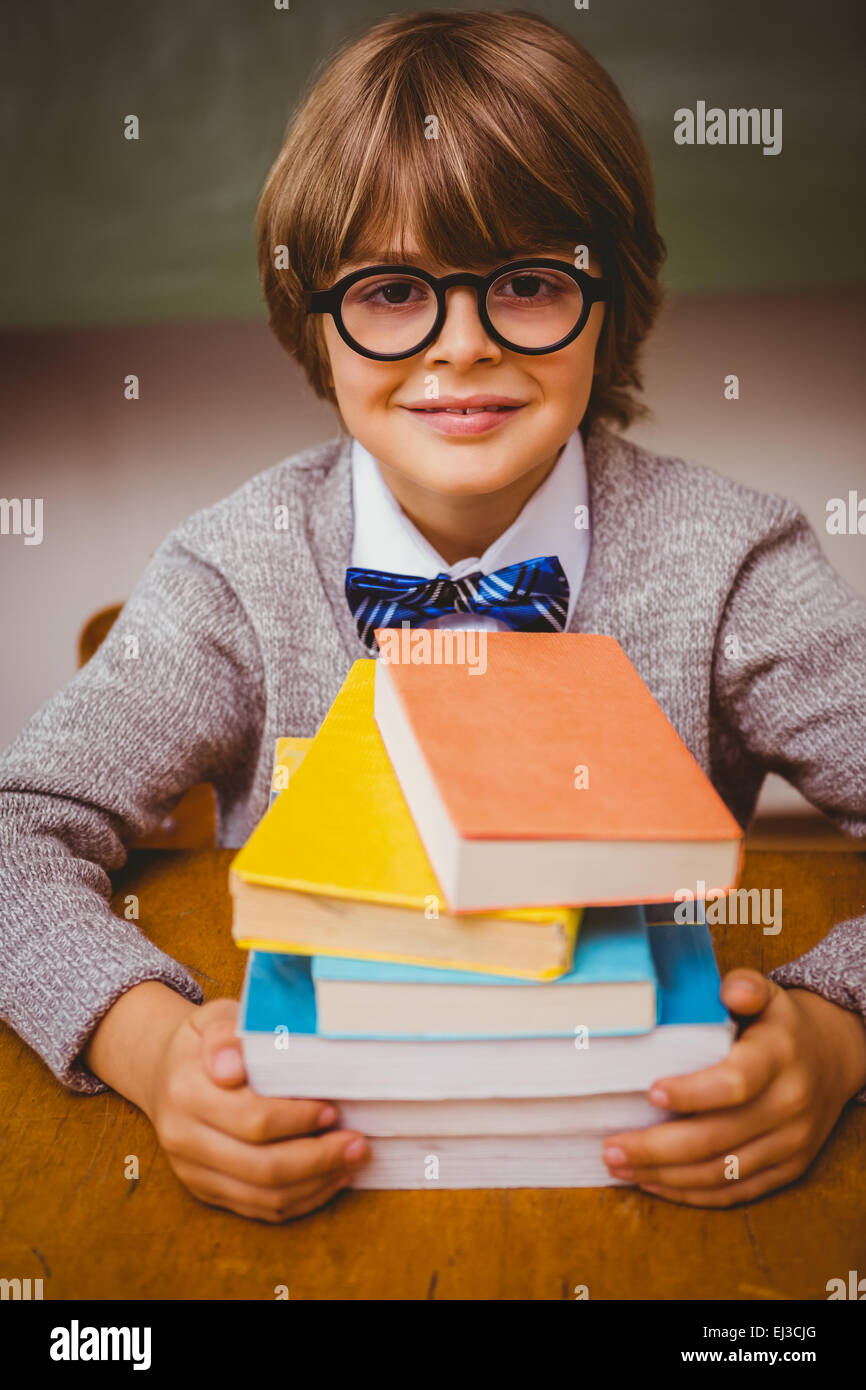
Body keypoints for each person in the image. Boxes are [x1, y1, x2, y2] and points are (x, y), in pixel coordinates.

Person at [1, 10, 864, 1221]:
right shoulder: (234, 571)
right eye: (395, 292)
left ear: (608, 294)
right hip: (327, 1171)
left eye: (524, 283)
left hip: (633, 1184)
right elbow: (13, 833)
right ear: (315, 314)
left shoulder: (729, 564)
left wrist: (836, 1032)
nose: (460, 349)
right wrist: (148, 1048)